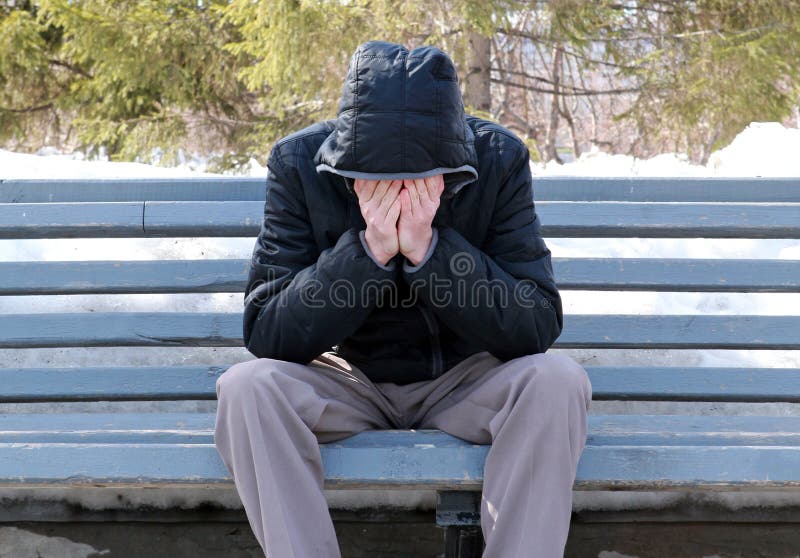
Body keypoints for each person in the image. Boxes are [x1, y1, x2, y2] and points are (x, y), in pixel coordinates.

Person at [213, 39, 592, 558]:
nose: (398, 191)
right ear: (348, 164)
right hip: (346, 381)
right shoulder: (300, 163)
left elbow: (536, 323)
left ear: (453, 162)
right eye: (379, 180)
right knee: (246, 388)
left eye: (418, 179)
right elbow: (267, 332)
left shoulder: (497, 159)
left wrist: (430, 252)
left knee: (557, 381)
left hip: (466, 382)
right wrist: (367, 252)